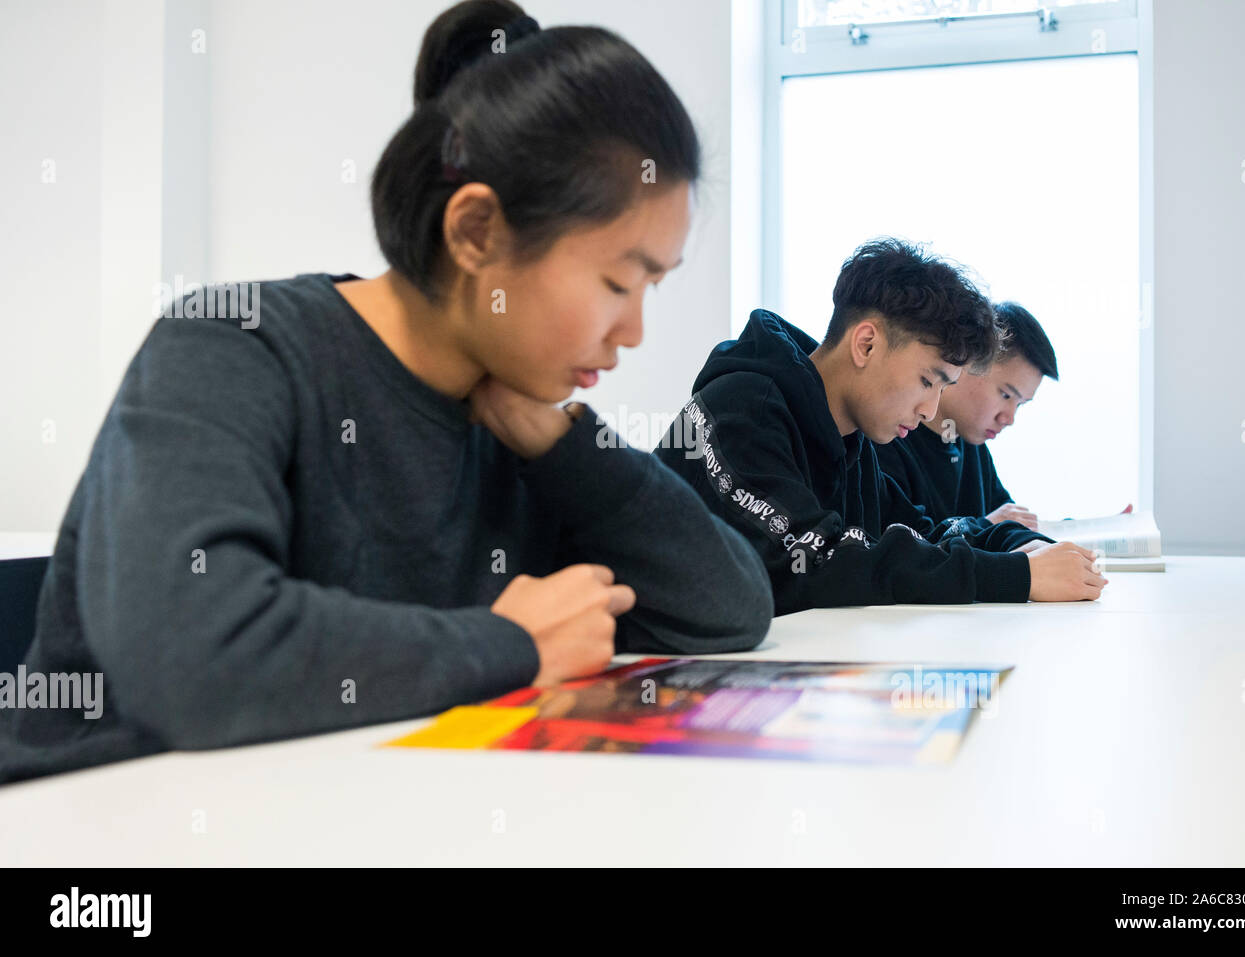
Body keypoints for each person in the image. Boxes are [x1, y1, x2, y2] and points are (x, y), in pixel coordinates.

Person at [0, 0, 772, 784]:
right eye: (617, 281)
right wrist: (514, 646)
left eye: (653, 287)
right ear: (477, 232)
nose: (633, 330)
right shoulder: (232, 344)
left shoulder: (524, 428)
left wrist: (570, 447)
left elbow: (728, 607)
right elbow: (193, 650)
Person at [653, 238, 1106, 616]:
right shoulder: (743, 408)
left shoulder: (852, 438)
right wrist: (1016, 577)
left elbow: (924, 533)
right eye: (927, 380)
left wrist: (1024, 546)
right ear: (866, 344)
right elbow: (818, 561)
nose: (931, 410)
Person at [874, 300, 1057, 530]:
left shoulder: (970, 445)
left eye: (1020, 405)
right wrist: (985, 528)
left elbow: (1015, 525)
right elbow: (905, 552)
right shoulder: (888, 435)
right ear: (966, 362)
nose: (1009, 419)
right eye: (1006, 395)